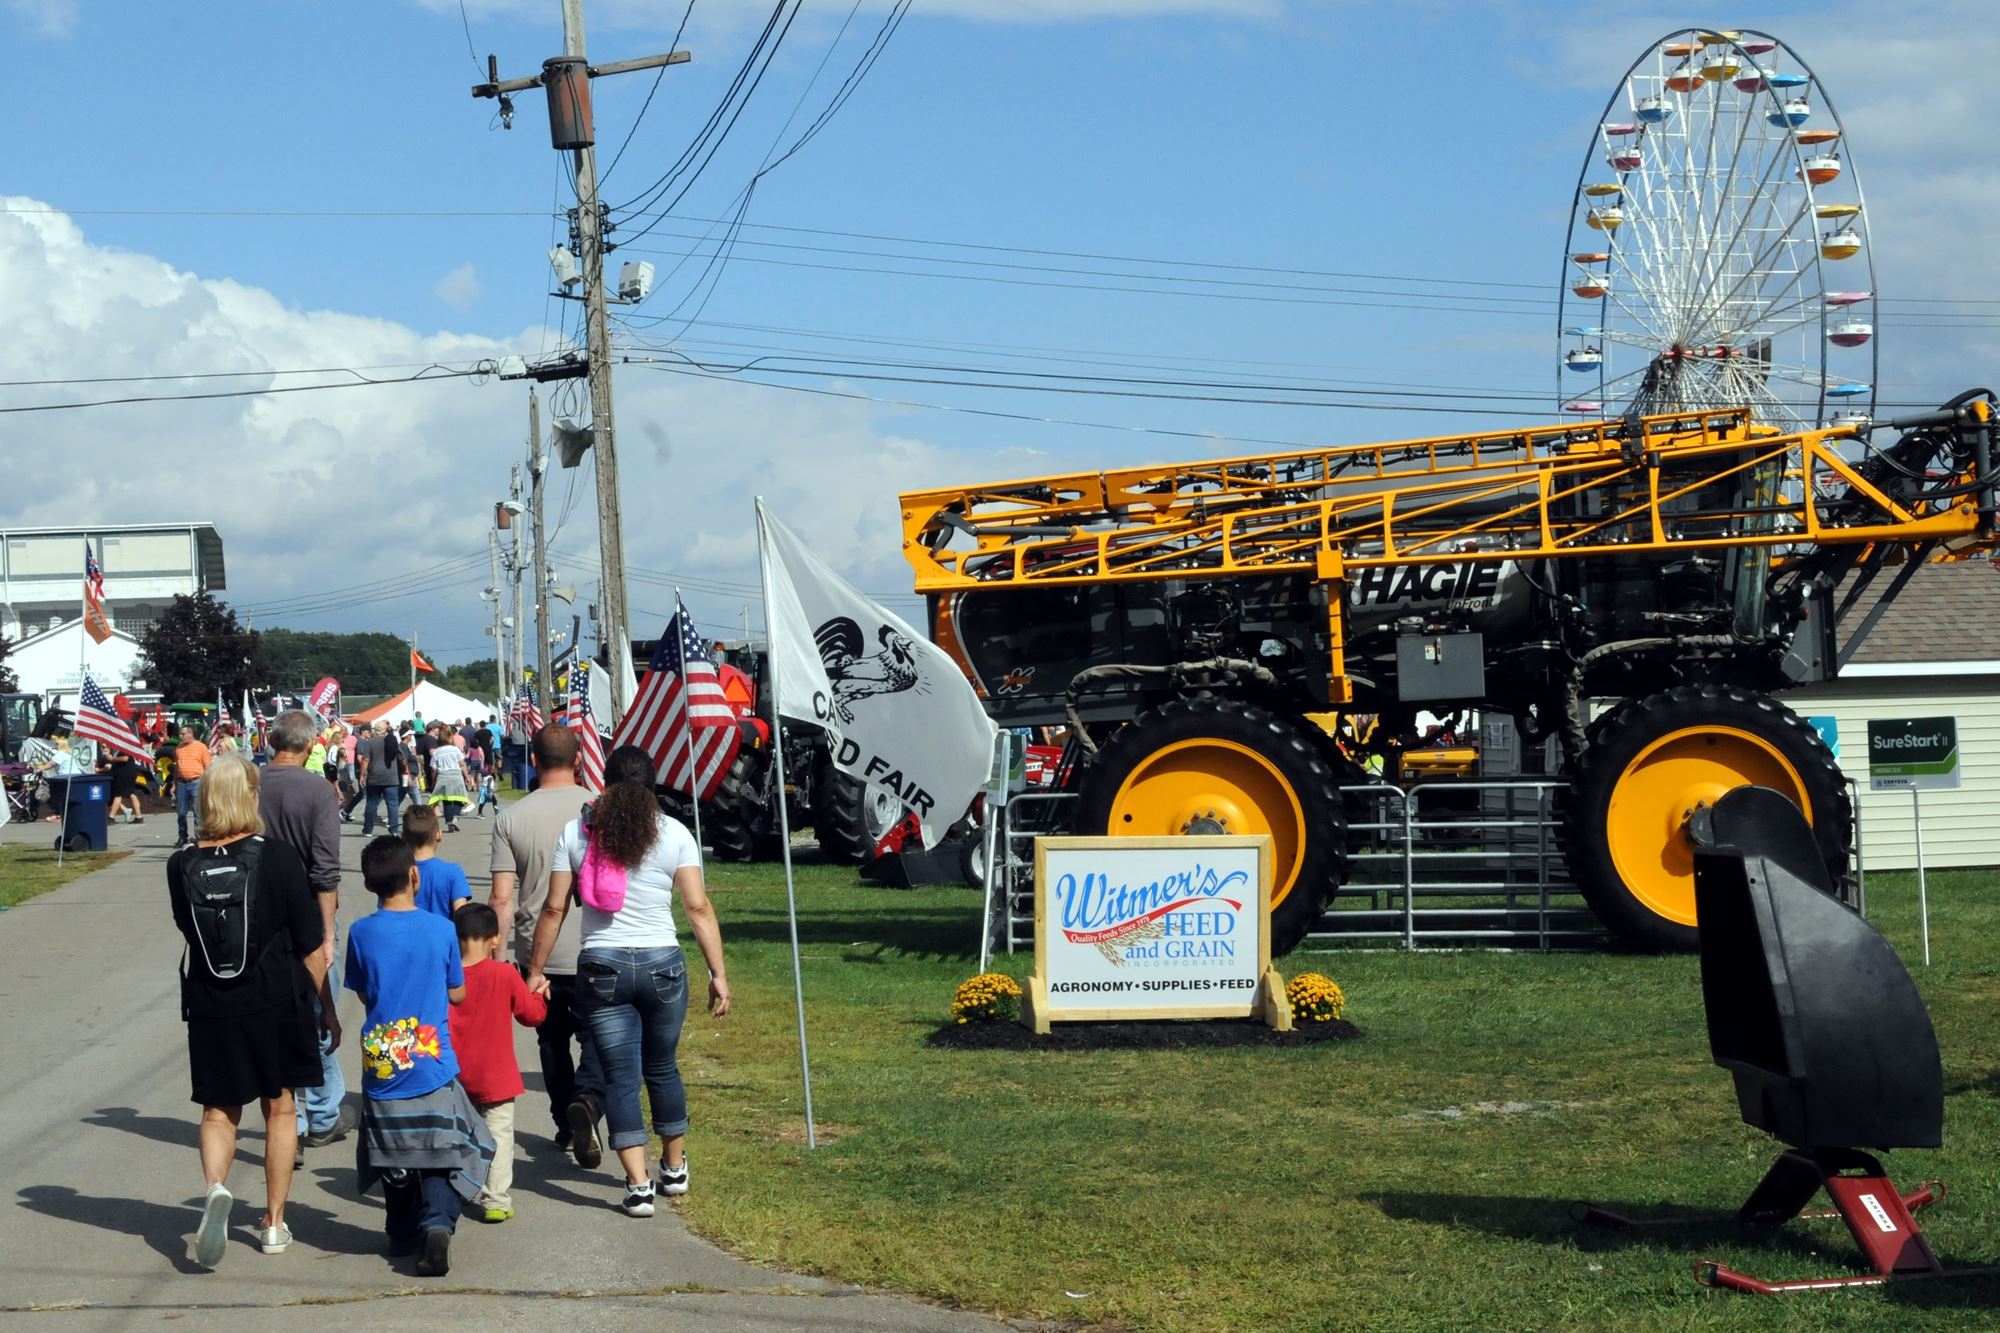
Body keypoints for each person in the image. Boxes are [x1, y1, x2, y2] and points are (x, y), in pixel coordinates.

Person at [527, 744, 730, 1217]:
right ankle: (674, 1169)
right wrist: (718, 973)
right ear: (653, 784)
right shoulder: (675, 832)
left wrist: (536, 971)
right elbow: (697, 908)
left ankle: (638, 1186)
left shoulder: (578, 832)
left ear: (607, 783)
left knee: (619, 1077)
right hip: (662, 964)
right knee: (662, 1067)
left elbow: (555, 908)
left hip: (602, 967)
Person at [167, 754, 328, 1265]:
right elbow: (310, 945)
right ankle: (275, 1223)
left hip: (213, 1002)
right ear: (250, 797)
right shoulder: (278, 857)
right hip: (276, 997)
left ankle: (216, 1187)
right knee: (279, 1107)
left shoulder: (181, 864)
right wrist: (323, 1005)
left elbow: (188, 928)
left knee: (219, 1110)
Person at [347, 836, 492, 1277]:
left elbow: (366, 989)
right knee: (446, 1148)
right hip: (432, 1061)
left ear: (371, 884)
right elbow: (458, 990)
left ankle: (401, 1232)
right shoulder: (442, 929)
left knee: (394, 1150)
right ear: (415, 875)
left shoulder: (361, 932)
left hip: (383, 1062)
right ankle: (437, 1224)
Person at [488, 723, 606, 1164]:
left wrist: (498, 961)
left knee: (552, 1042)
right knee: (599, 1039)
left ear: (533, 760)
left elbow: (501, 897)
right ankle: (589, 1105)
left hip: (539, 953)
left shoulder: (511, 818)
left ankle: (564, 1121)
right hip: (598, 943)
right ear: (578, 760)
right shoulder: (599, 807)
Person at [258, 709, 354, 1153]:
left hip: (257, 917)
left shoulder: (250, 785)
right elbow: (325, 870)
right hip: (307, 917)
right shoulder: (318, 790)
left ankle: (287, 1120)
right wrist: (329, 934)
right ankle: (323, 1114)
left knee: (274, 1016)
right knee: (320, 1013)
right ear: (312, 744)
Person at [448, 902, 547, 1223]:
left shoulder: (445, 978)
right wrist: (539, 995)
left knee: (457, 1135)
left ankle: (458, 1188)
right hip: (496, 1076)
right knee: (500, 1137)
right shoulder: (504, 973)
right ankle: (495, 1199)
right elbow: (531, 1017)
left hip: (453, 1076)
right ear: (494, 939)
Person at [405, 804, 471, 919]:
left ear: (403, 838)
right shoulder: (452, 872)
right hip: (445, 936)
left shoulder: (396, 873)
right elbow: (461, 915)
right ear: (439, 835)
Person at [359, 723, 407, 837]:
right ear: (385, 731)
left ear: (375, 731)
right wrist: (404, 770)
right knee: (392, 804)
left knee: (371, 803)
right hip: (391, 777)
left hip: (374, 777)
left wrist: (362, 775)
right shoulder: (392, 741)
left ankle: (368, 829)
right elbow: (402, 758)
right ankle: (394, 830)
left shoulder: (370, 743)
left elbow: (365, 759)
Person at [173, 725, 213, 847]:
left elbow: (208, 768)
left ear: (191, 734)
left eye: (183, 734)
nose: (181, 736)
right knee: (181, 813)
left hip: (197, 782)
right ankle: (182, 837)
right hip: (181, 783)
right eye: (181, 734)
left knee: (198, 813)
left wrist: (207, 784)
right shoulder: (178, 748)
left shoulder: (201, 747)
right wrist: (174, 785)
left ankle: (200, 838)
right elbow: (177, 768)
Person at [429, 726, 470, 832]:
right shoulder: (455, 749)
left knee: (446, 799)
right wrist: (467, 777)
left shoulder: (437, 752)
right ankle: (455, 817)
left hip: (443, 776)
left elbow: (434, 769)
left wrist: (433, 780)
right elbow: (462, 764)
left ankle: (448, 821)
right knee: (459, 798)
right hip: (456, 775)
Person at [103, 747, 144, 825]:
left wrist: (112, 759)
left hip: (125, 774)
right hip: (126, 773)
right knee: (131, 794)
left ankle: (111, 817)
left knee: (118, 794)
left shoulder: (124, 747)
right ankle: (139, 816)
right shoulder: (117, 750)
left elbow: (125, 758)